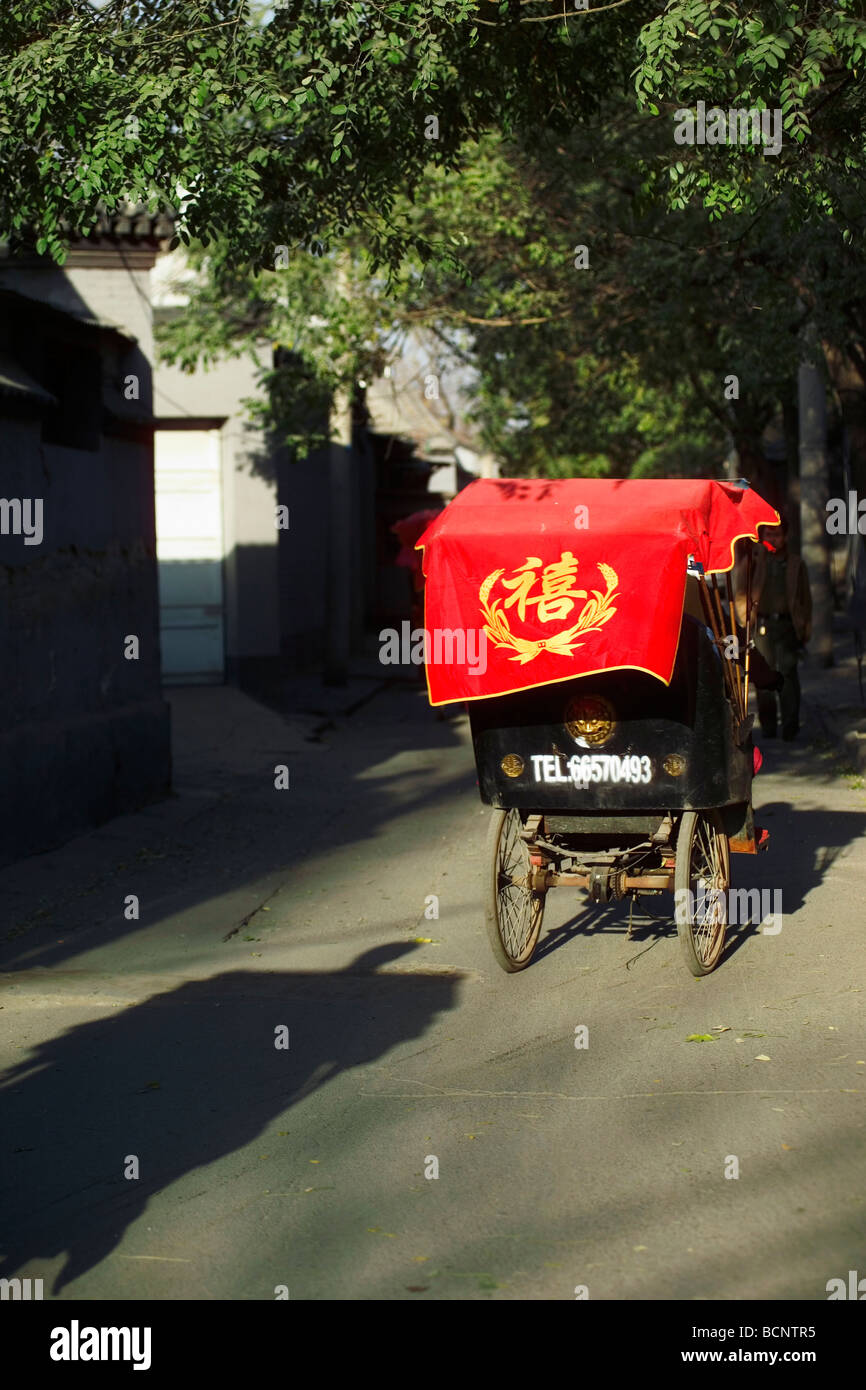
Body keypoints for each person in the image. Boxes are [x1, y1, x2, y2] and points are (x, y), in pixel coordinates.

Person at [751, 517, 812, 739]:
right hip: (763, 625)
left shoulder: (796, 563)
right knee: (765, 675)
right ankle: (768, 726)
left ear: (784, 537)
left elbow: (805, 599)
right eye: (768, 534)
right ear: (762, 537)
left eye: (777, 534)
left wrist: (806, 628)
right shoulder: (755, 561)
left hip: (788, 625)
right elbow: (742, 592)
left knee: (788, 672)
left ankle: (790, 725)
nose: (773, 539)